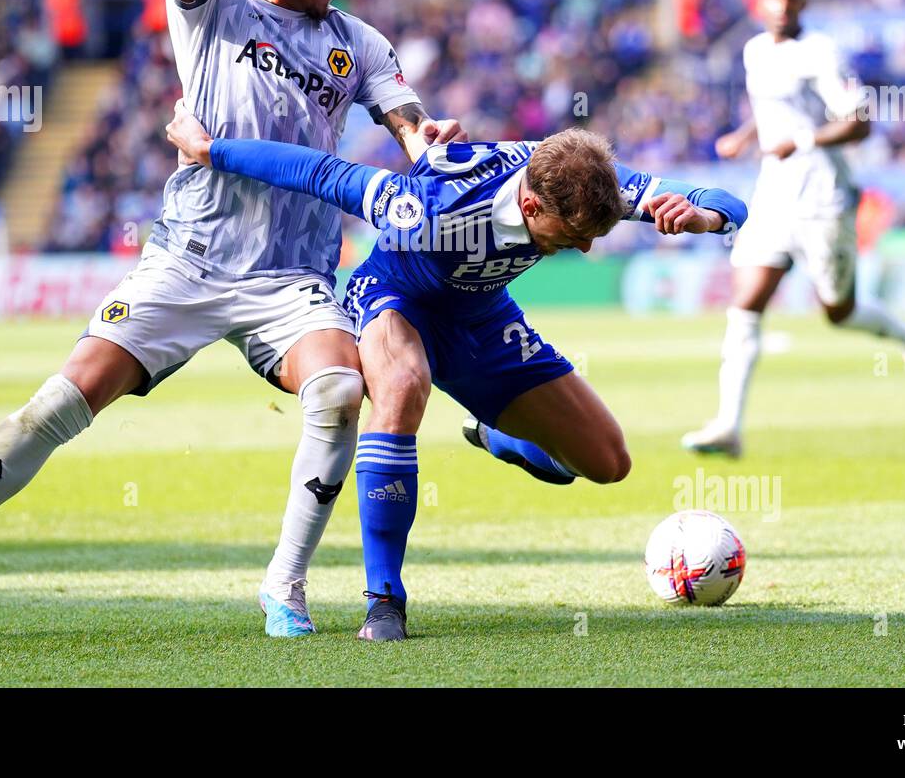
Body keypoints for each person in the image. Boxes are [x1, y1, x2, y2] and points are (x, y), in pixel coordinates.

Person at [0, 0, 464, 639]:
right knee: (59, 401)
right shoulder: (213, 8)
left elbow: (407, 118)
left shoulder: (357, 42)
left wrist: (424, 138)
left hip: (291, 276)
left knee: (341, 391)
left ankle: (285, 586)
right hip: (189, 260)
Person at [165, 106, 747, 640]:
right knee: (401, 387)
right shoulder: (437, 200)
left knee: (607, 463)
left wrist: (703, 215)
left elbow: (725, 200)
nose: (583, 250)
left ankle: (498, 434)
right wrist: (211, 150)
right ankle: (384, 601)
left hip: (481, 315)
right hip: (397, 298)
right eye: (571, 239)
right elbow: (321, 172)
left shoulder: (580, 184)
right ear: (530, 207)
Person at [681, 0, 905, 459]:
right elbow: (769, 112)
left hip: (824, 196)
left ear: (803, 4)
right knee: (745, 305)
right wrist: (745, 137)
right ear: (761, 2)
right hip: (774, 196)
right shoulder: (754, 50)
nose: (781, 6)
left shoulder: (821, 53)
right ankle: (727, 425)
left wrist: (799, 141)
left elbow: (859, 124)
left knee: (838, 313)